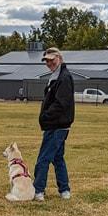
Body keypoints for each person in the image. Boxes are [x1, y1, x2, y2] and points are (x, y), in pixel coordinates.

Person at [33, 47, 74, 201]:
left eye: (52, 59)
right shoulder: (56, 76)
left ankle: (38, 190)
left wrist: (45, 116)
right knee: (57, 158)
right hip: (57, 124)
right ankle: (64, 190)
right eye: (47, 60)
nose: (49, 63)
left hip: (57, 125)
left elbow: (61, 103)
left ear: (59, 58)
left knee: (44, 158)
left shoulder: (64, 77)